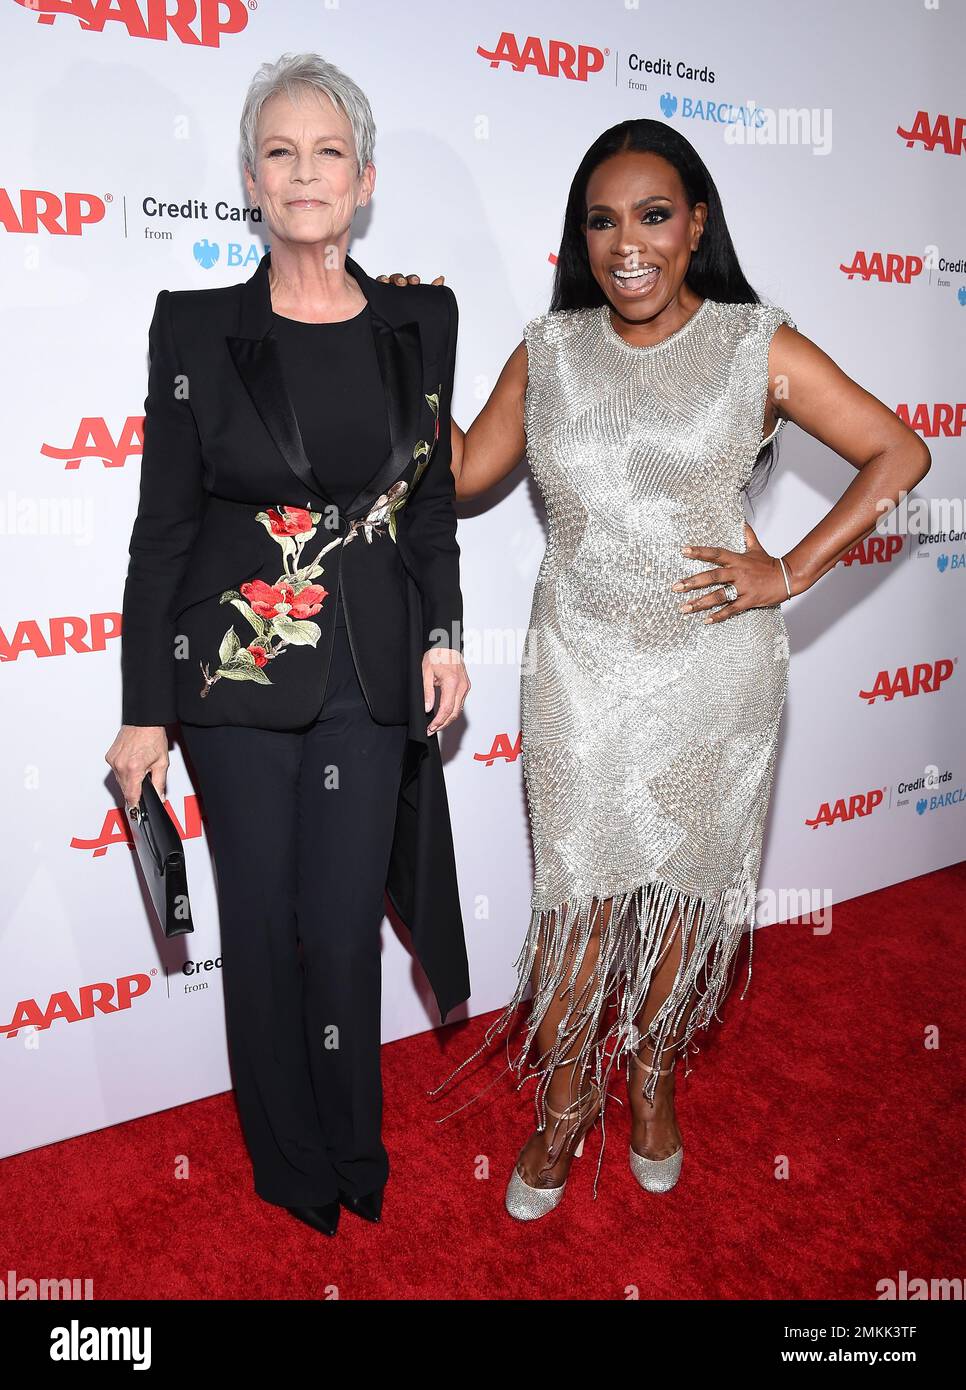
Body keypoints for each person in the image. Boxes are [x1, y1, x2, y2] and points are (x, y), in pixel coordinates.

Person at [394, 118, 930, 1220]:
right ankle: (568, 1093)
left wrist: (788, 570)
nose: (626, 242)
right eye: (603, 220)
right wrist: (404, 344)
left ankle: (650, 1074)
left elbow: (900, 452)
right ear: (581, 236)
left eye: (652, 215)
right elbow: (461, 472)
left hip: (713, 674)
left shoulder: (753, 343)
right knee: (580, 898)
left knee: (686, 896)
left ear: (694, 228)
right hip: (579, 668)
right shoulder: (549, 349)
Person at [105, 52, 471, 1239]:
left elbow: (428, 501)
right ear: (252, 183)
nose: (304, 173)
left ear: (363, 181)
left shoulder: (424, 318)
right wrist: (146, 709)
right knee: (262, 920)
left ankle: (354, 1140)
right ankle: (290, 1157)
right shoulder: (196, 328)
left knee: (343, 915)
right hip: (234, 671)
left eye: (327, 152)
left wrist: (447, 631)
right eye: (279, 151)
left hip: (369, 667)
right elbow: (161, 532)